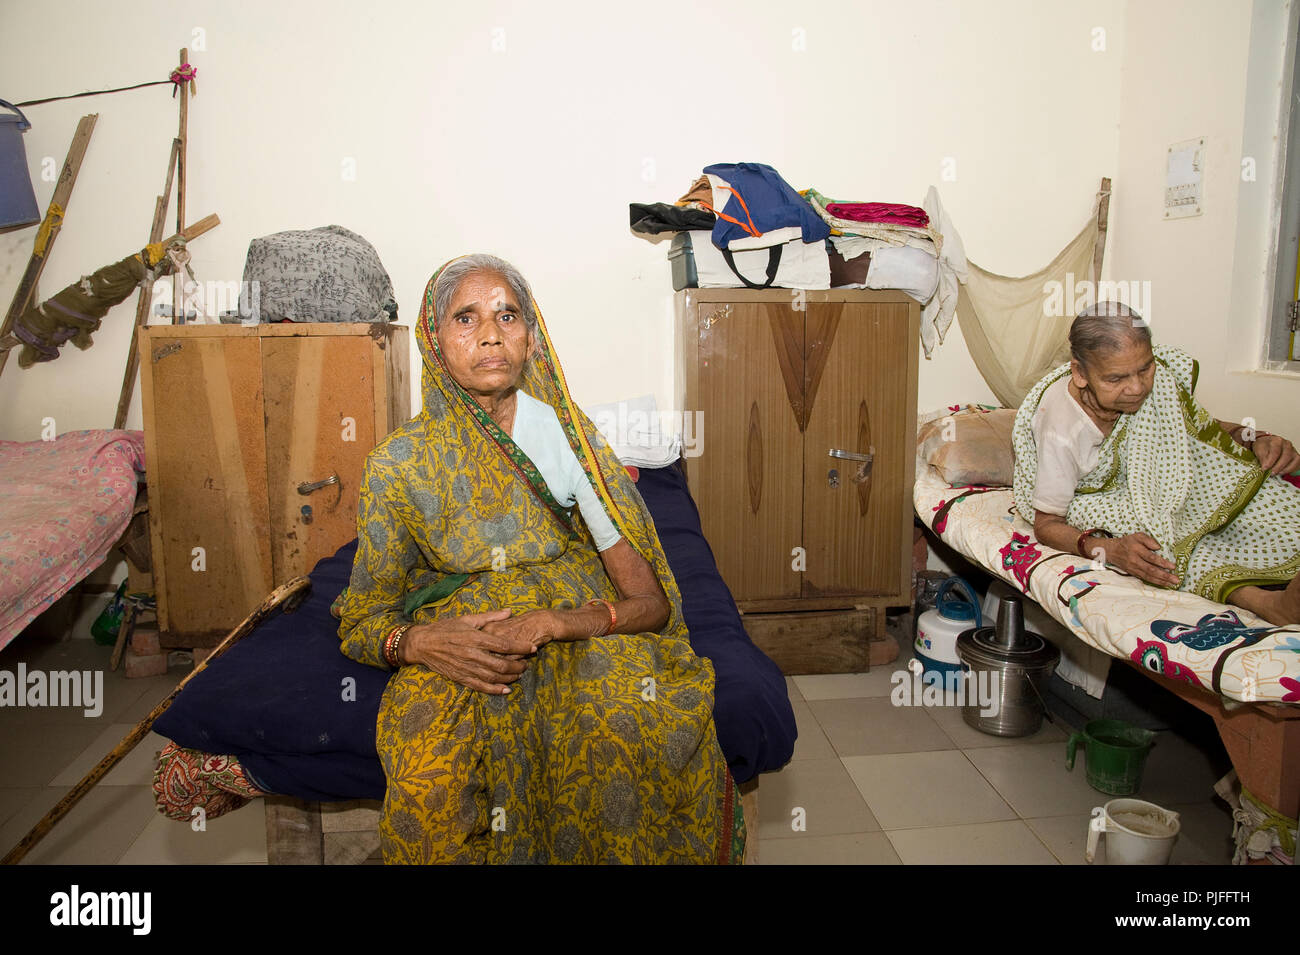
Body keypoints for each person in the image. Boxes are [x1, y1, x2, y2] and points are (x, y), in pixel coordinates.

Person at [336, 254, 733, 864]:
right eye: (465, 318)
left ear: (531, 335)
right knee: (426, 775)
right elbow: (365, 619)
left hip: (571, 620)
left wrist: (555, 623)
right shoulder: (397, 466)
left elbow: (649, 606)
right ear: (434, 340)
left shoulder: (568, 436)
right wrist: (421, 644)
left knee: (621, 727)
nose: (491, 333)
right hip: (464, 639)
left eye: (508, 315)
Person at [1012, 302, 1300, 626]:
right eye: (1116, 378)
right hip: (1094, 497)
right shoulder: (1062, 429)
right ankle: (1268, 603)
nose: (1137, 387)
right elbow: (1047, 524)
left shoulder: (1156, 375)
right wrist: (1109, 549)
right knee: (1156, 533)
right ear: (1080, 373)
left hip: (1153, 479)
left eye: (1144, 369)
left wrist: (1253, 437)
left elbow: (1193, 427)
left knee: (1252, 486)